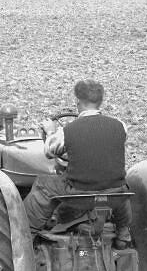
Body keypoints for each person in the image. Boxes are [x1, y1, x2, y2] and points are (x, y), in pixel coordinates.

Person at [23, 79, 131, 246]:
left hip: (80, 194)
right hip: (115, 192)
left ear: (78, 102)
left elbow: (49, 152)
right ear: (100, 102)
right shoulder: (121, 126)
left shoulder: (68, 131)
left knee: (43, 184)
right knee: (119, 187)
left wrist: (51, 131)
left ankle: (27, 236)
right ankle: (123, 233)